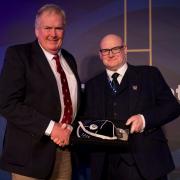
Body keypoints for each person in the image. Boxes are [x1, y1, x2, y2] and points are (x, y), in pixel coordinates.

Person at [0, 4, 81, 180]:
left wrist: (68, 129)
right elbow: (7, 103)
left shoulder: (69, 59)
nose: (53, 34)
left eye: (58, 28)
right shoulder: (18, 55)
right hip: (30, 156)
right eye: (47, 28)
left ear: (64, 30)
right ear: (37, 30)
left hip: (64, 152)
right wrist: (52, 128)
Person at [82, 34, 180, 180]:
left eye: (115, 49)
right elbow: (86, 121)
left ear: (125, 49)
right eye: (105, 51)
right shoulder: (91, 86)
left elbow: (172, 107)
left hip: (146, 163)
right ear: (100, 55)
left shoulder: (149, 75)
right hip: (106, 167)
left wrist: (144, 119)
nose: (110, 54)